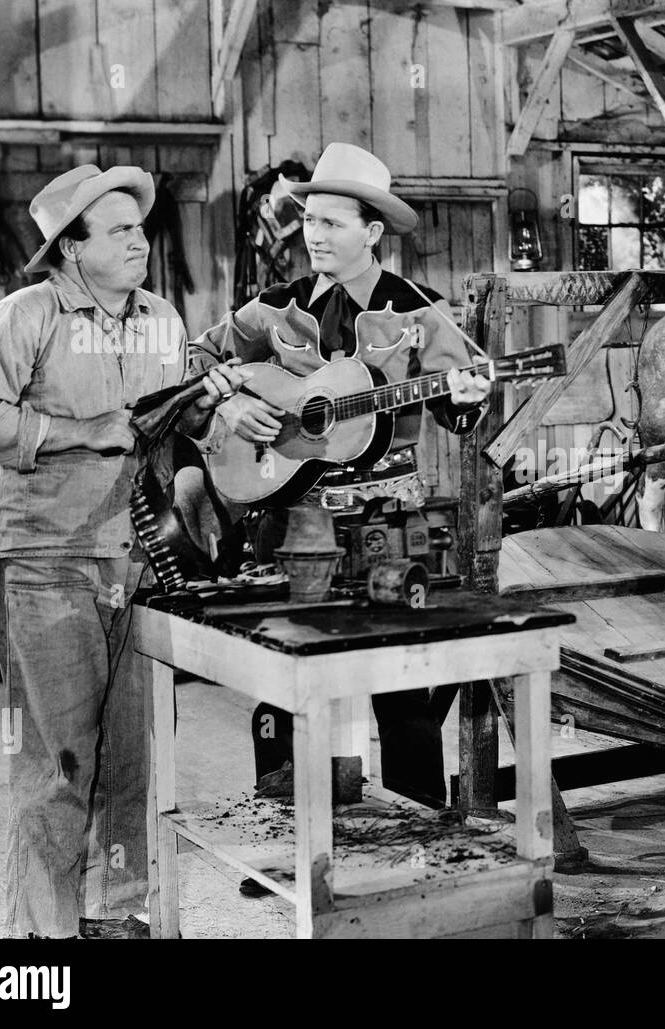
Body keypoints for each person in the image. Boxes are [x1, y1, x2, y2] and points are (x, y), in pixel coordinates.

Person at [0, 165, 246, 939]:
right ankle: (43, 940)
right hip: (47, 563)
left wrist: (214, 415)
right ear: (71, 250)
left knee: (132, 764)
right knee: (59, 768)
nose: (140, 240)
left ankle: (117, 917)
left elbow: (176, 431)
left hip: (137, 565)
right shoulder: (26, 316)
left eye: (139, 227)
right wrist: (78, 431)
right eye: (117, 230)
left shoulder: (165, 322)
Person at [186, 143, 491, 822]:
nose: (313, 235)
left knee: (404, 688)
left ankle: (421, 848)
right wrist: (231, 402)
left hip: (386, 525)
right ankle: (288, 834)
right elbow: (198, 353)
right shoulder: (276, 308)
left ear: (373, 231)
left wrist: (471, 395)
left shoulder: (418, 310)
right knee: (282, 683)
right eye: (309, 220)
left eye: (331, 222)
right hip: (293, 525)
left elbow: (461, 405)